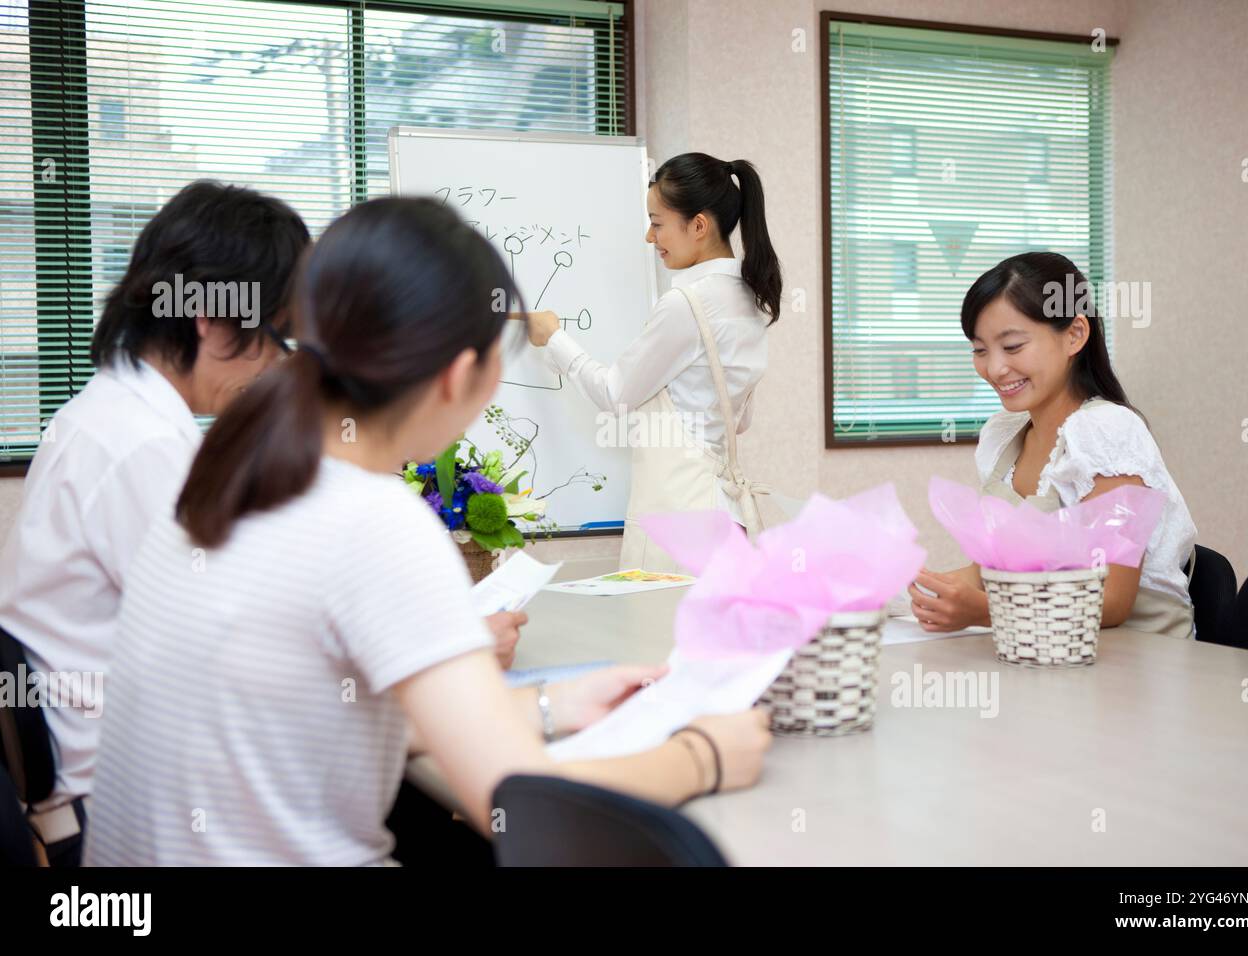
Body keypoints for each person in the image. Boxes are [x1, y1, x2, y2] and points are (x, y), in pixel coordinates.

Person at [84, 196, 771, 865]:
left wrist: (551, 706)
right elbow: (524, 805)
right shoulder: (372, 521)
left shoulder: (231, 475)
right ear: (459, 374)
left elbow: (318, 720)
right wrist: (702, 755)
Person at [0, 180, 309, 865]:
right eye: (278, 336)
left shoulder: (114, 415)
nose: (281, 365)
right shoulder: (141, 445)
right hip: (126, 821)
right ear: (212, 319)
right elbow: (235, 655)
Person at [908, 252, 1197, 639]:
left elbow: (1113, 601)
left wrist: (987, 610)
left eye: (1012, 347)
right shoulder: (1003, 435)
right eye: (980, 350)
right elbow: (993, 570)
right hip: (1047, 645)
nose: (994, 369)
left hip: (1139, 658)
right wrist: (913, 587)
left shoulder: (1108, 432)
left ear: (1075, 334)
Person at [520, 153, 782, 571]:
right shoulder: (751, 299)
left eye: (657, 223)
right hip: (725, 520)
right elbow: (739, 420)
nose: (649, 236)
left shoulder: (688, 304)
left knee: (656, 632)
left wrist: (554, 338)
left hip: (680, 521)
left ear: (698, 225)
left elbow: (615, 394)